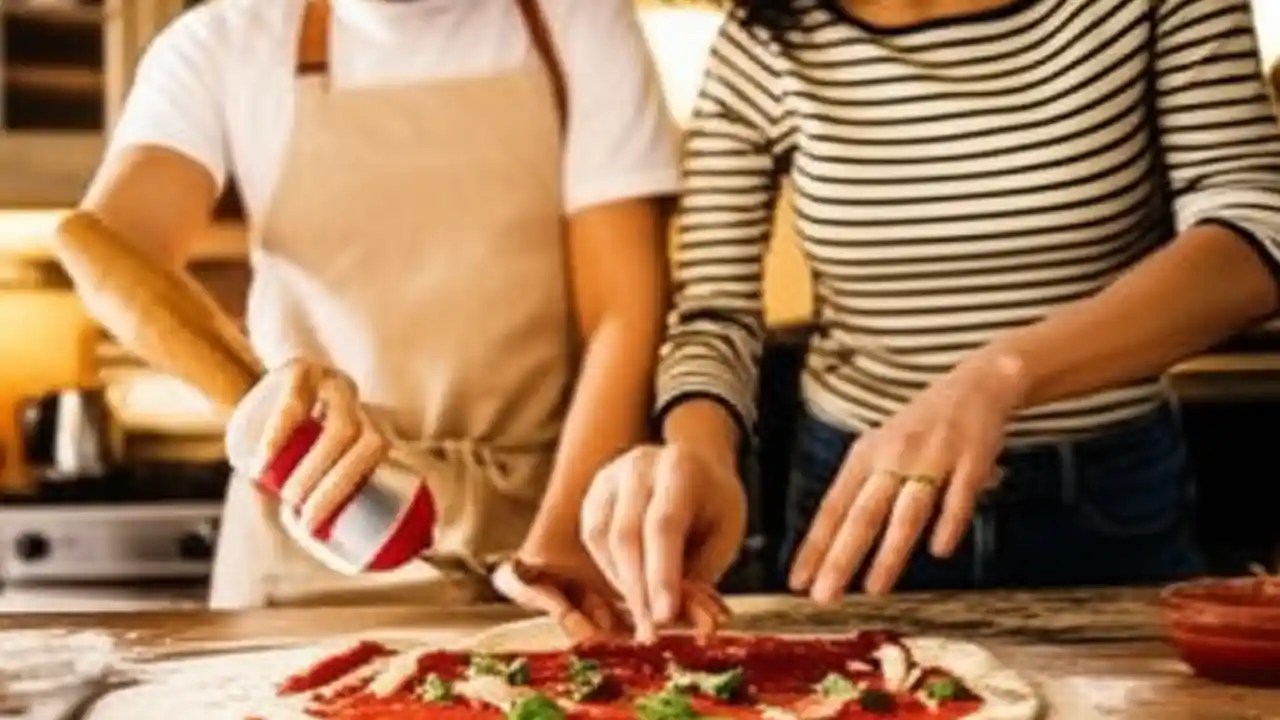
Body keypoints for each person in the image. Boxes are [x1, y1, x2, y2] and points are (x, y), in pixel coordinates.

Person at [580, 0, 1280, 639]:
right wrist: (701, 454)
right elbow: (714, 311)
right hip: (854, 507)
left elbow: (1256, 229)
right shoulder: (762, 41)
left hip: (1107, 495)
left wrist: (1001, 376)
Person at [56, 0, 682, 633]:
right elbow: (103, 244)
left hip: (541, 540)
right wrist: (275, 405)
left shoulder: (580, 21)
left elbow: (622, 315)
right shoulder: (225, 40)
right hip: (321, 540)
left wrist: (564, 538)